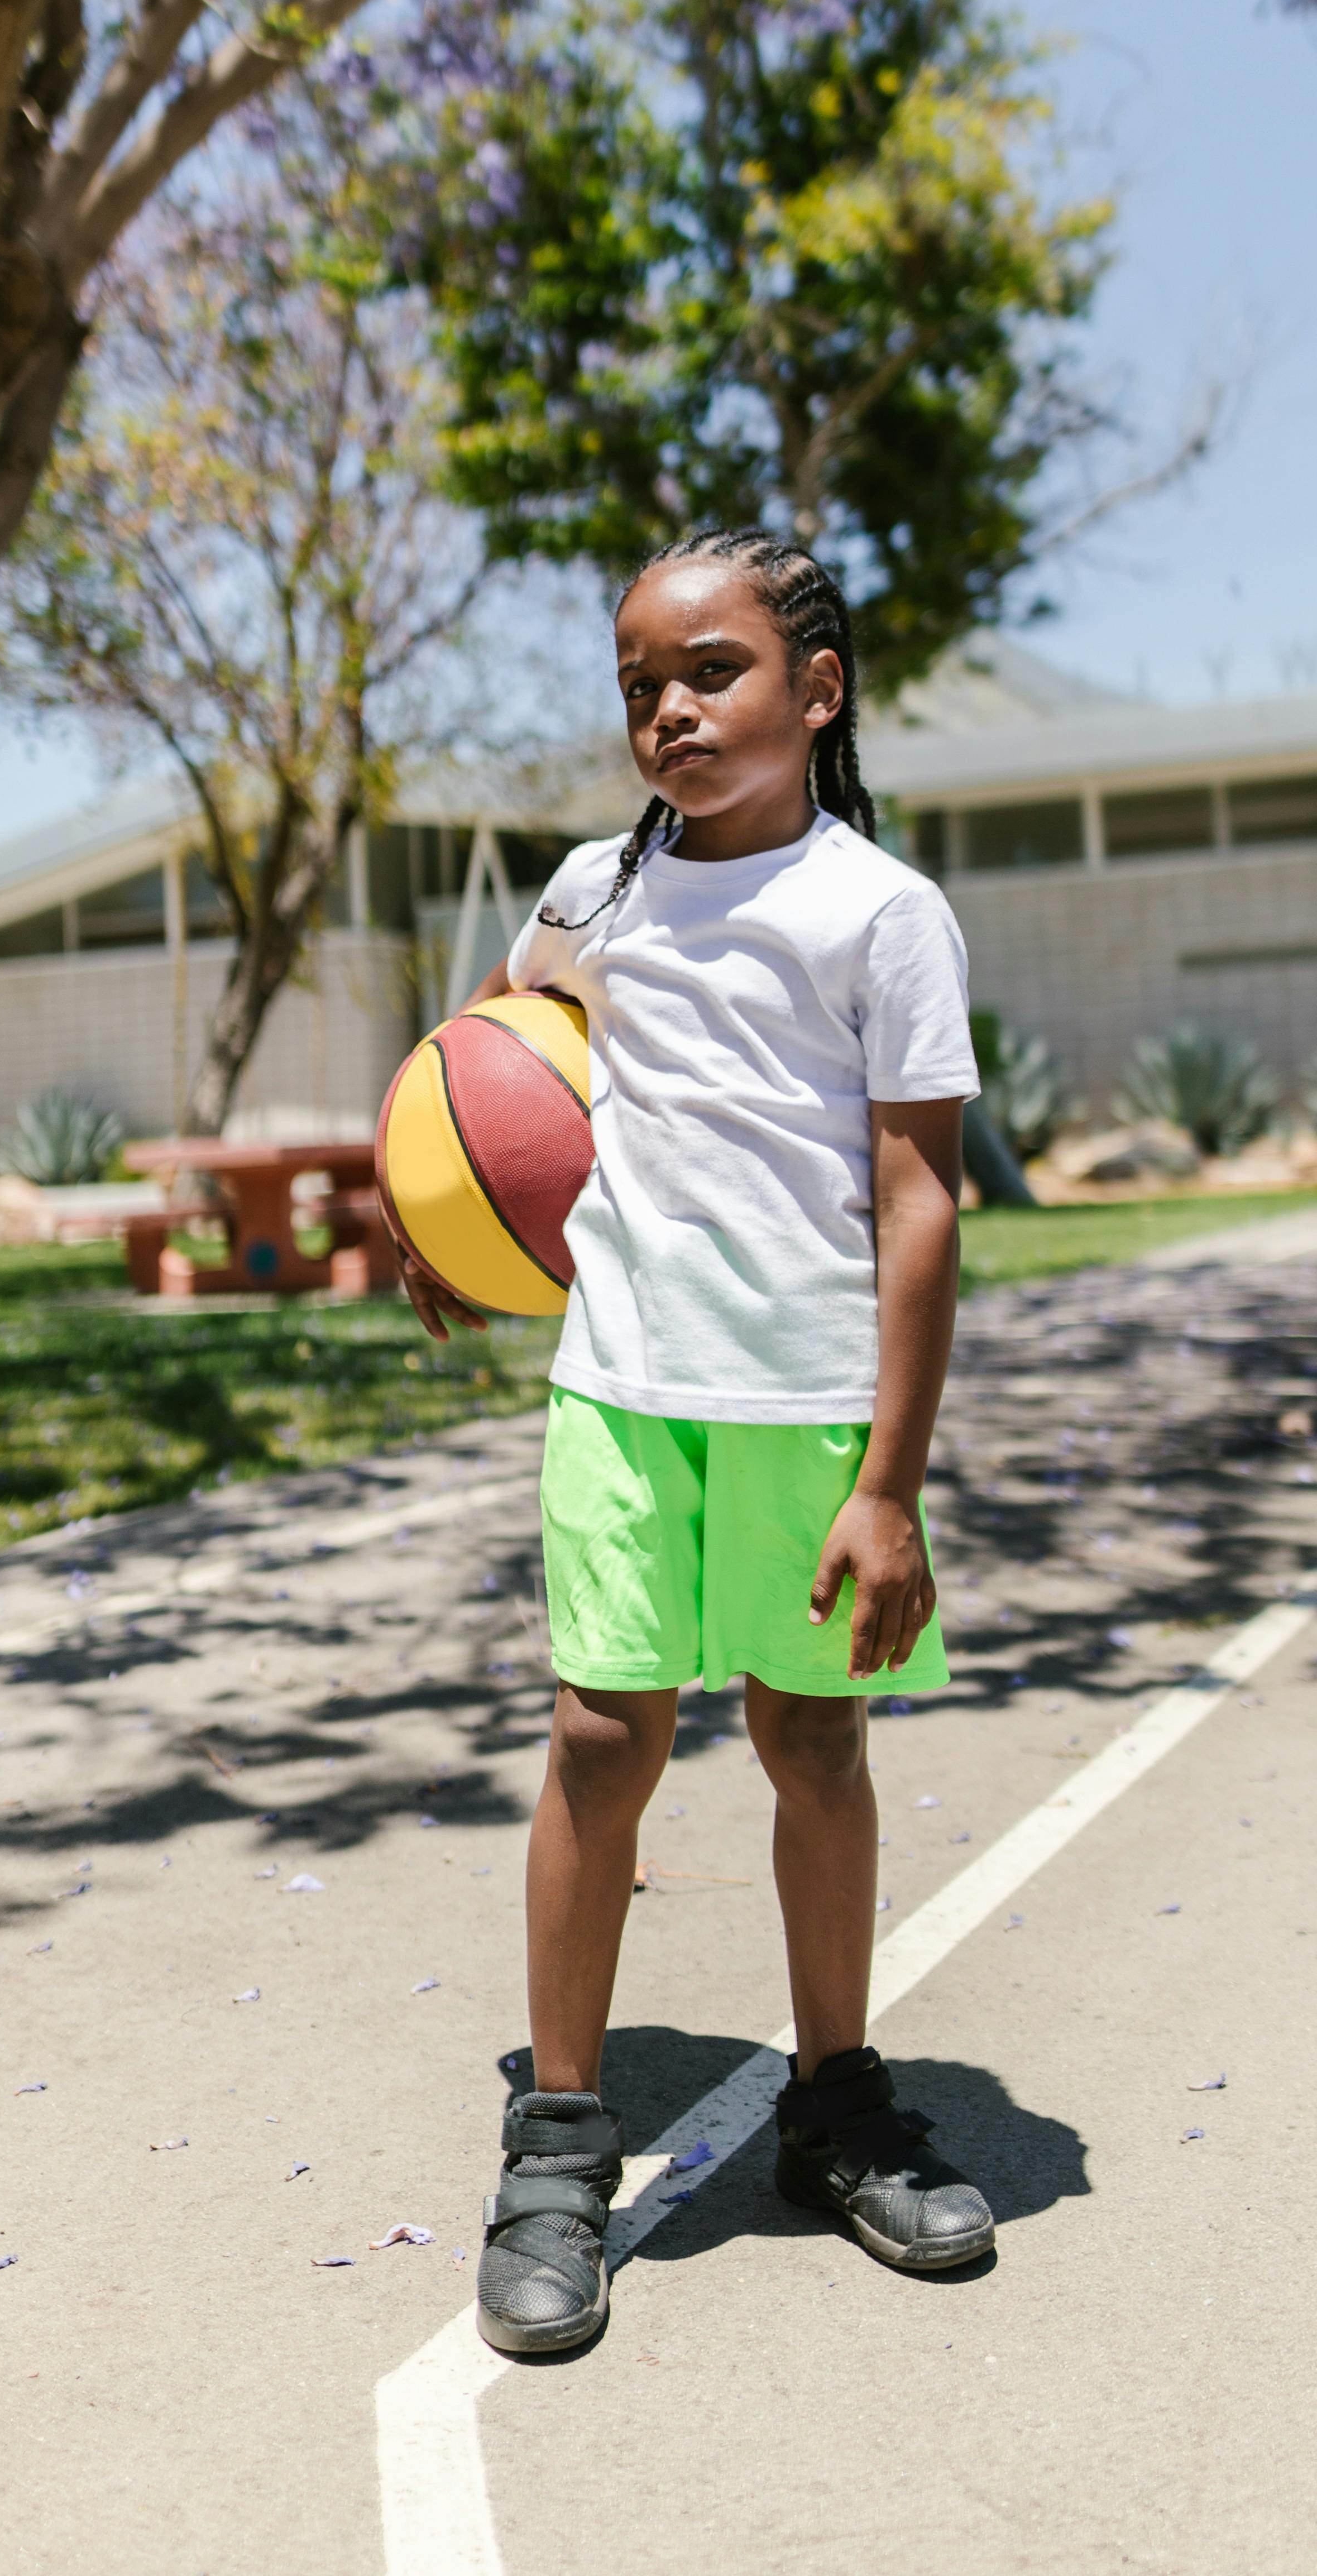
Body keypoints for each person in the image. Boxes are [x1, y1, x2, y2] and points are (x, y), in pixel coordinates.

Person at [395, 523, 995, 2356]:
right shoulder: (596, 892)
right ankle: (563, 2141)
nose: (670, 708)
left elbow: (921, 1206)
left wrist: (888, 1484)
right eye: (640, 682)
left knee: (813, 1739)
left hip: (812, 1405)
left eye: (710, 670)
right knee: (600, 1736)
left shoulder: (877, 912)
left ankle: (832, 2102)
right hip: (623, 1385)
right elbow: (510, 1063)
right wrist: (438, 1212)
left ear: (816, 692)